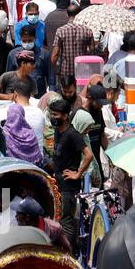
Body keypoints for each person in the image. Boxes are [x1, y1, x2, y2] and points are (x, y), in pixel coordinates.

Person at [49, 99, 92, 250]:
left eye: (56, 114)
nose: (52, 117)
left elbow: (88, 155)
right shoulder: (57, 131)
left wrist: (78, 173)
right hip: (59, 184)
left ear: (65, 116)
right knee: (61, 219)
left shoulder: (73, 134)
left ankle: (68, 255)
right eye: (51, 114)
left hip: (69, 187)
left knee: (67, 222)